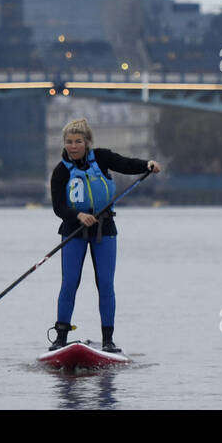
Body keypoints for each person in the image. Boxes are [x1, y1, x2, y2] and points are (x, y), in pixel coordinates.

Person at [48, 117, 160, 353]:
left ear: (87, 142)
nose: (73, 146)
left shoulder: (101, 157)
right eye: (69, 142)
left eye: (78, 141)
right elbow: (59, 207)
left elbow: (126, 164)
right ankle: (60, 338)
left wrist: (146, 164)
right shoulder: (60, 172)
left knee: (106, 284)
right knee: (69, 283)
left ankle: (108, 340)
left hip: (103, 228)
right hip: (74, 230)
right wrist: (78, 215)